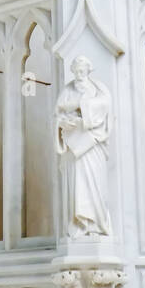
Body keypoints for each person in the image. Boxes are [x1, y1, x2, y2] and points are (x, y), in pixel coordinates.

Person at [55, 56, 111, 238]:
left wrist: (81, 108)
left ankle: (95, 225)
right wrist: (62, 123)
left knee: (94, 185)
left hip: (92, 146)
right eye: (76, 71)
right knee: (76, 187)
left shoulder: (98, 89)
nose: (79, 75)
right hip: (74, 149)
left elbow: (104, 108)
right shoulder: (67, 90)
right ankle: (78, 226)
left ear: (88, 70)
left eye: (82, 71)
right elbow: (57, 115)